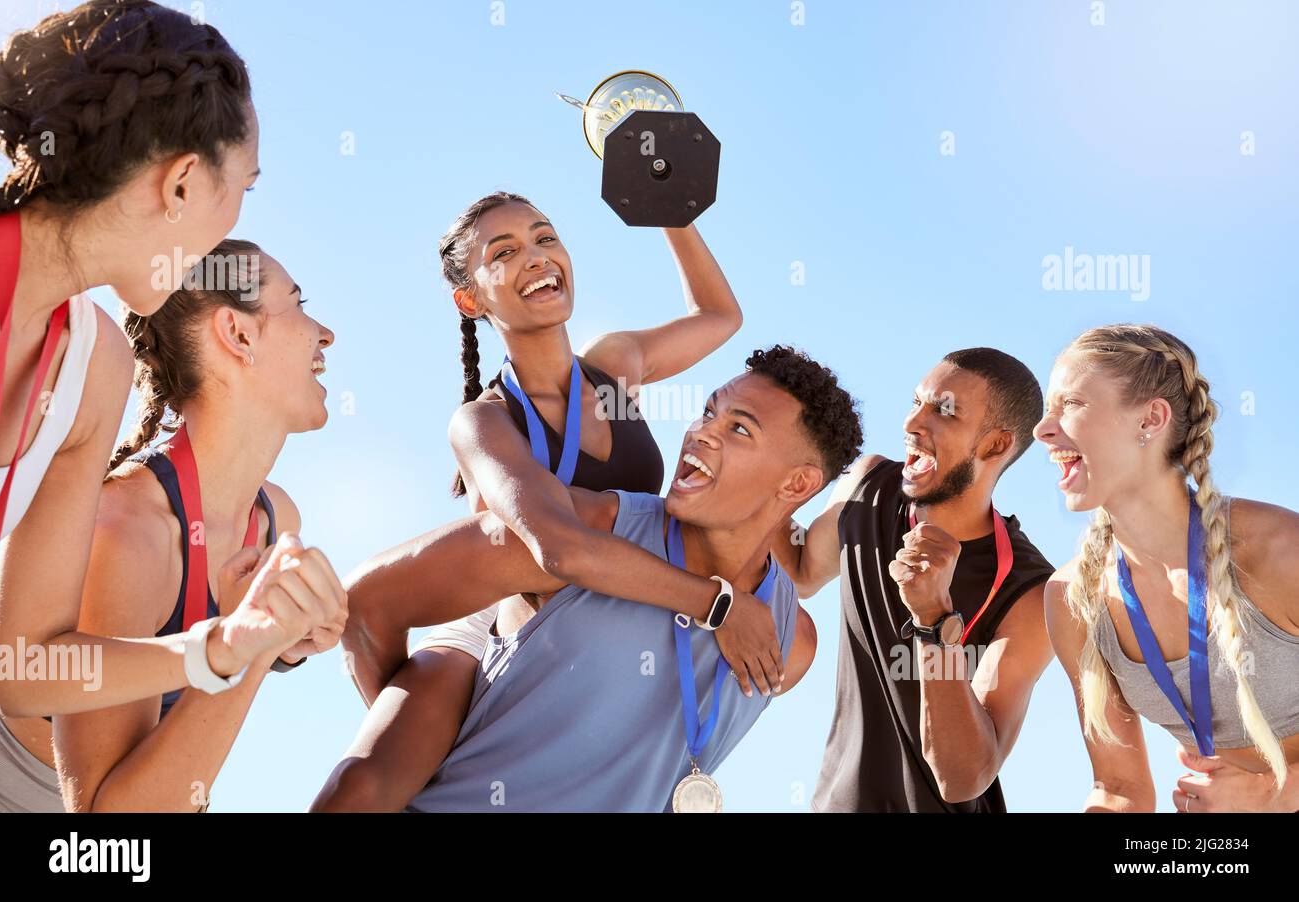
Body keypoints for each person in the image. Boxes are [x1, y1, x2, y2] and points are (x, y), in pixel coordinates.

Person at [333, 191, 784, 797]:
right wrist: (719, 606)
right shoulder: (483, 423)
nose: (537, 257)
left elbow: (720, 316)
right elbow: (558, 548)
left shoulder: (614, 367)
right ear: (470, 298)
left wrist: (666, 202)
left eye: (545, 238)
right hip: (495, 632)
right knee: (367, 785)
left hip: (613, 620)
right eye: (506, 252)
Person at [312, 346, 858, 812]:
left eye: (738, 428)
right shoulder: (584, 527)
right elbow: (366, 601)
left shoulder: (793, 644)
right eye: (709, 412)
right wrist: (417, 733)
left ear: (797, 484)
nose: (701, 432)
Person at [0, 0, 338, 725]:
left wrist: (221, 647)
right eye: (242, 188)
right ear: (183, 183)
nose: (236, 225)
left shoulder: (96, 369)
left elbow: (24, 667)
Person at [0, 241, 343, 813]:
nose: (324, 333)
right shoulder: (127, 533)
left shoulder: (274, 517)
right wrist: (254, 648)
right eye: (298, 304)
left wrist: (288, 642)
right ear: (238, 334)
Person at [776, 348, 1056, 812]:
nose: (912, 422)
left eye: (943, 410)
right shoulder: (867, 485)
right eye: (916, 402)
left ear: (994, 446)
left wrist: (934, 619)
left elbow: (963, 777)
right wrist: (768, 476)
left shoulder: (1030, 590)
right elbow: (801, 572)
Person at [1036, 324, 1299, 812]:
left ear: (1150, 419)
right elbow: (1120, 790)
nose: (1043, 430)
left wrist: (1275, 793)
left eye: (1070, 404)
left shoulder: (1280, 550)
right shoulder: (1073, 597)